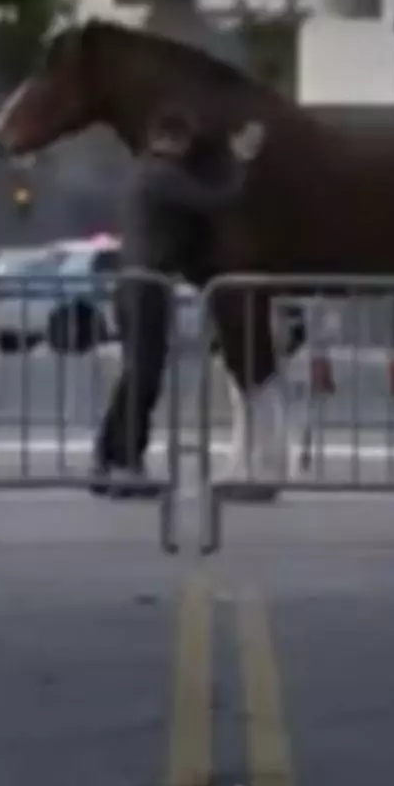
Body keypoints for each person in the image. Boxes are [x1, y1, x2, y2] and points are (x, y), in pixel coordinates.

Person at [91, 108, 267, 498]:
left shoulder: (141, 172)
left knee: (134, 373)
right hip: (147, 285)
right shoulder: (163, 175)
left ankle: (108, 457)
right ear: (176, 141)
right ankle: (125, 462)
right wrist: (241, 160)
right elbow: (219, 200)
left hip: (132, 281)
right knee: (144, 377)